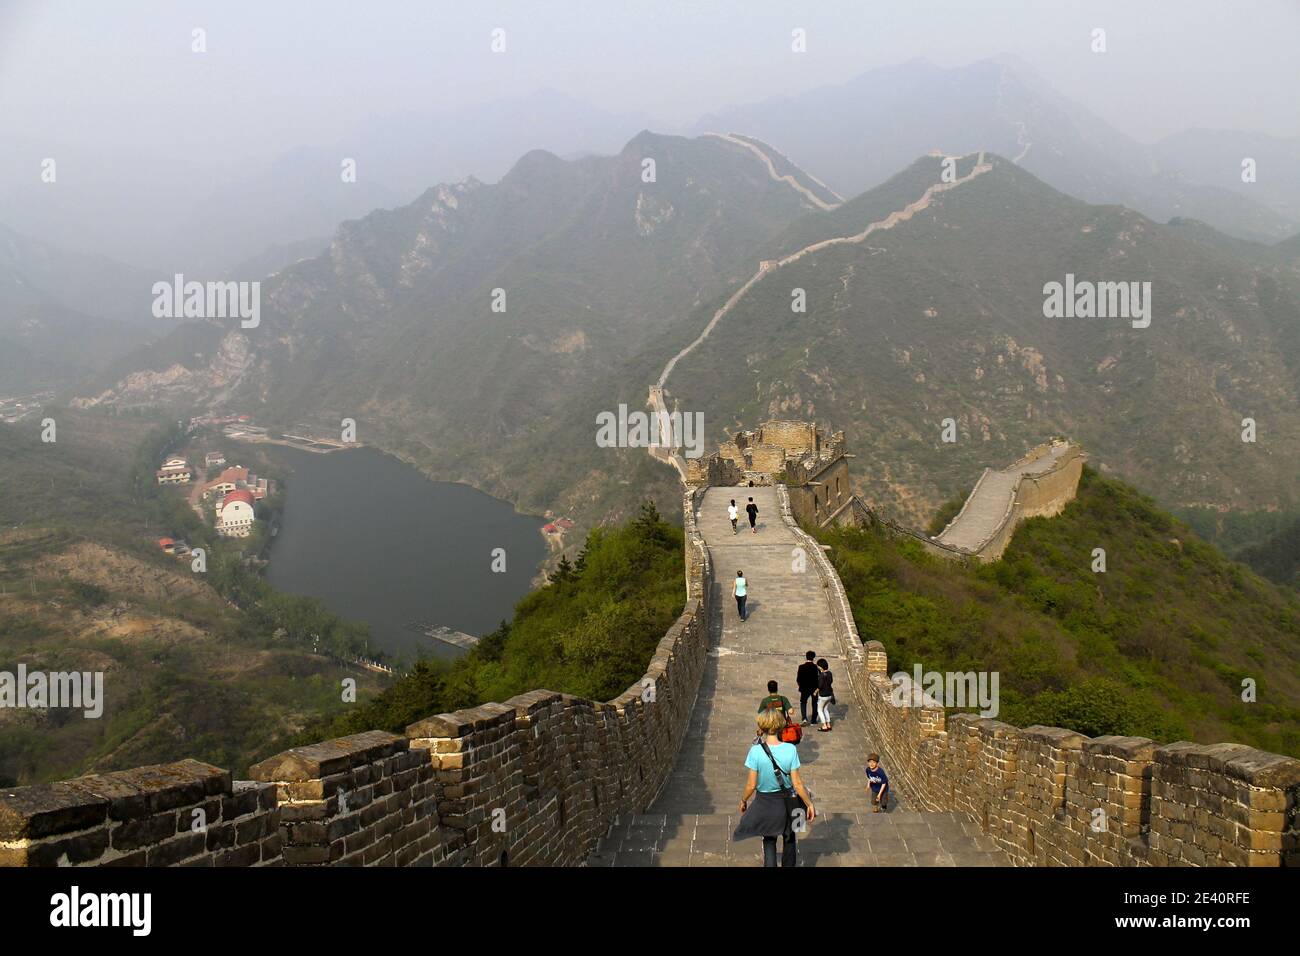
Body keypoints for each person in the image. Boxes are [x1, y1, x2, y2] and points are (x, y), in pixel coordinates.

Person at [734, 709, 816, 866]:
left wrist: (743, 800)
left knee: (769, 840)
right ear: (780, 725)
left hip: (765, 801)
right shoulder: (791, 749)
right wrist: (809, 804)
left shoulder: (755, 751)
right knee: (790, 838)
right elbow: (797, 784)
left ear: (762, 726)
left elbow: (751, 785)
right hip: (789, 801)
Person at [796, 651, 820, 726]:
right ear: (813, 658)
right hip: (814, 689)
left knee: (803, 702)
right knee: (814, 703)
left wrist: (800, 686)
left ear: (806, 657)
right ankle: (813, 720)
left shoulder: (801, 667)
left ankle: (804, 718)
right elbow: (819, 679)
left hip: (804, 689)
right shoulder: (816, 667)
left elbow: (798, 679)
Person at [815, 658, 834, 731]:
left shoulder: (821, 675)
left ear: (820, 667)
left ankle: (824, 725)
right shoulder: (830, 673)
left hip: (823, 695)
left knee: (819, 710)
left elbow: (820, 686)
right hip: (829, 694)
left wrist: (815, 691)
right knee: (825, 709)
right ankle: (828, 724)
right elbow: (831, 681)